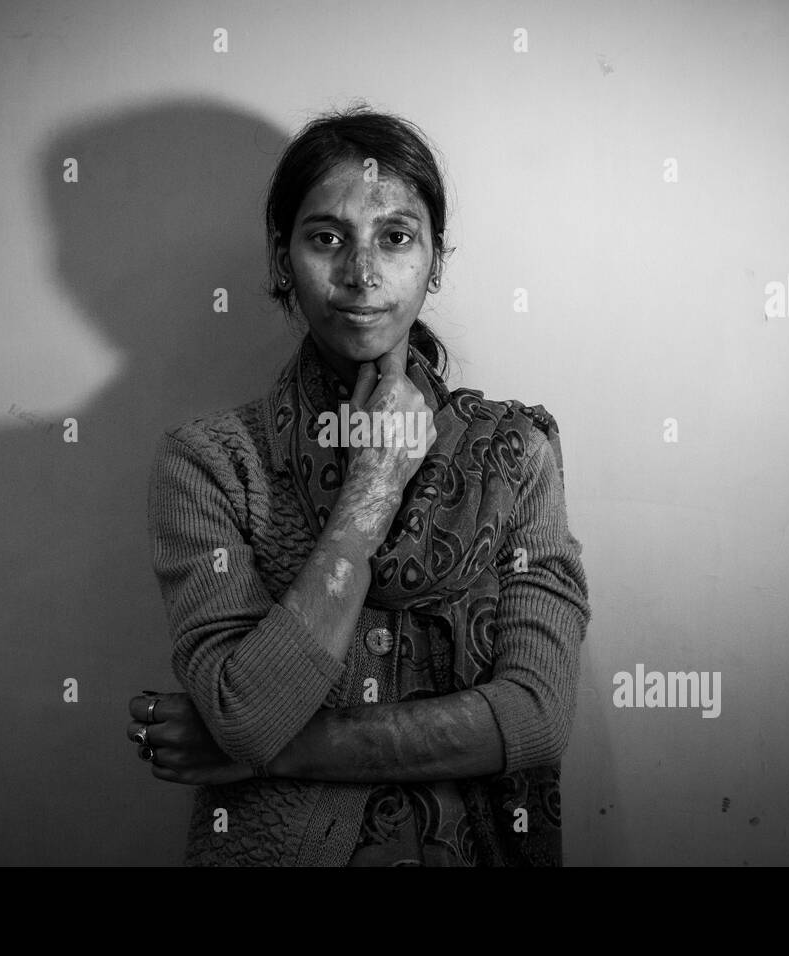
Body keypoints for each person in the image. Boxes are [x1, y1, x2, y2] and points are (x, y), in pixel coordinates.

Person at [127, 103, 590, 866]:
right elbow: (247, 713)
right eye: (326, 238)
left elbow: (537, 716)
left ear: (436, 261)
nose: (362, 273)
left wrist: (267, 748)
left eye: (396, 238)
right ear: (282, 260)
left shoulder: (516, 453)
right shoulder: (210, 464)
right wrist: (373, 486)